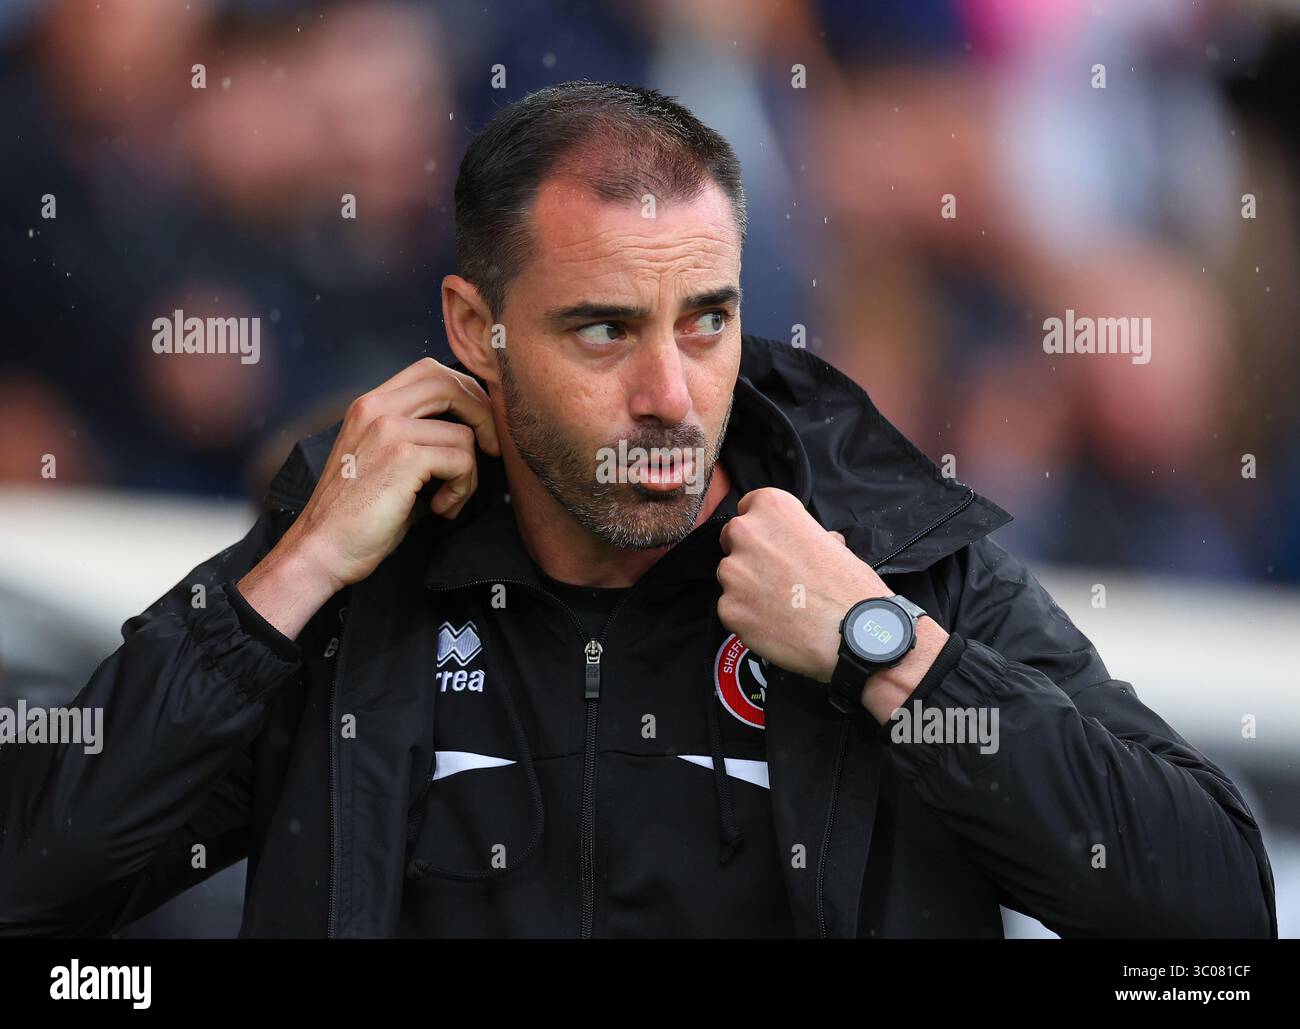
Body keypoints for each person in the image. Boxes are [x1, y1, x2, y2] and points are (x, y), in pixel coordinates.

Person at [0, 81, 1276, 938]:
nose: (671, 394)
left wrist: (891, 658)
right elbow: (33, 879)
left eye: (705, 321)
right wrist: (286, 579)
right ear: (472, 328)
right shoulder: (354, 577)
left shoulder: (887, 564)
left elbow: (1216, 909)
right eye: (602, 329)